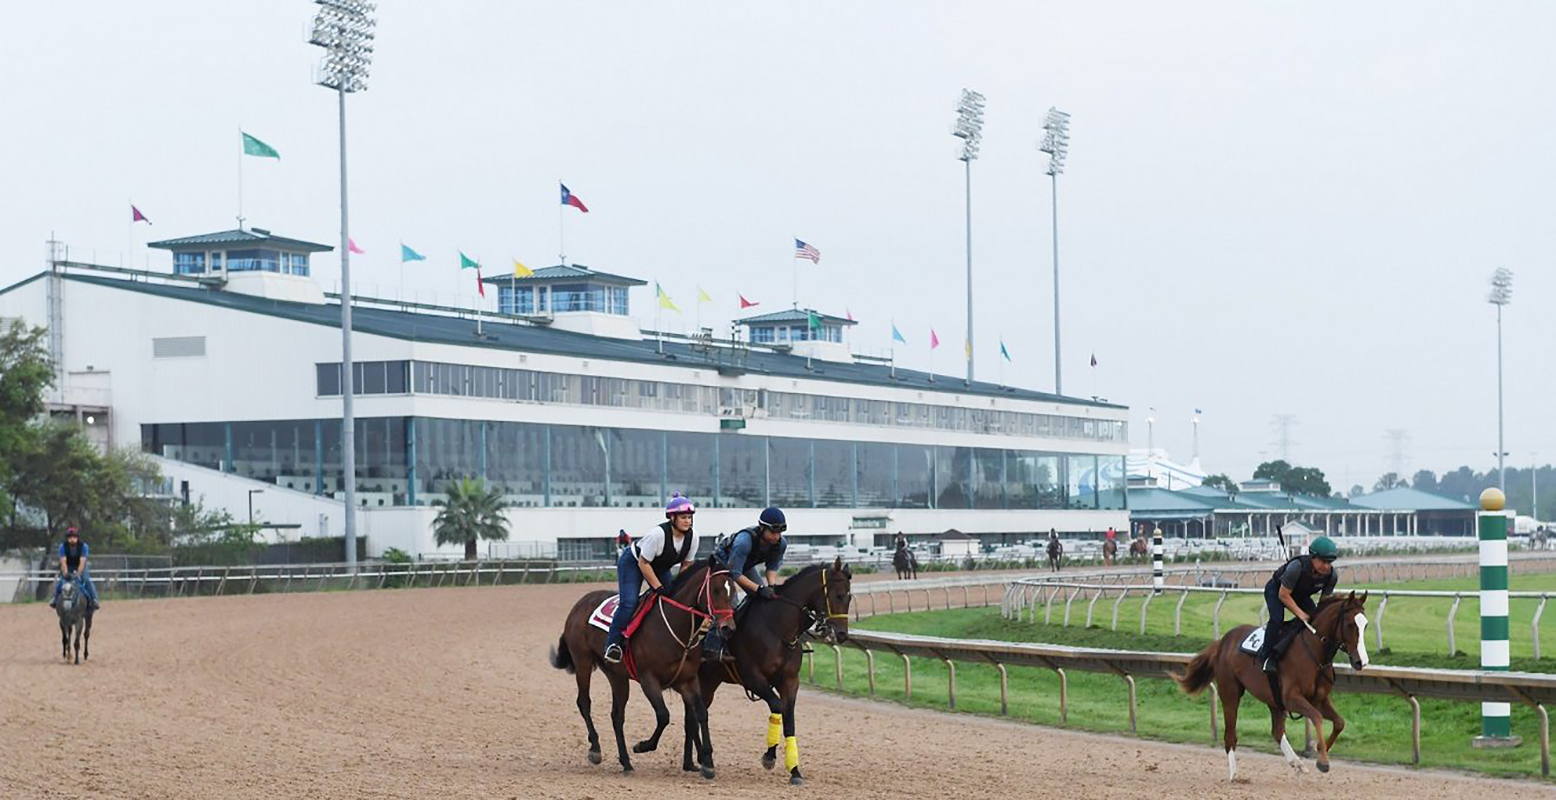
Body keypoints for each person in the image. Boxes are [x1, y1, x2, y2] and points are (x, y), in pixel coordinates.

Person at [602, 494, 697, 665]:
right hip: (634, 563)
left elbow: (686, 566)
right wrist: (658, 587)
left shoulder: (694, 538)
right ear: (672, 518)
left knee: (674, 600)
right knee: (629, 603)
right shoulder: (657, 535)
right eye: (683, 517)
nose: (688, 521)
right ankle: (613, 645)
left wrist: (679, 587)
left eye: (690, 517)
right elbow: (643, 563)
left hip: (659, 567)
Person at [703, 506, 789, 661]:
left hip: (744, 567)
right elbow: (735, 573)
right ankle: (712, 647)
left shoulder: (781, 544)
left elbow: (772, 567)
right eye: (773, 532)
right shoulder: (744, 542)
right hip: (723, 566)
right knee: (729, 607)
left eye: (779, 533)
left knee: (763, 599)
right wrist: (759, 588)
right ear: (762, 528)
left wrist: (770, 587)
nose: (777, 536)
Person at [1258, 535, 1339, 673]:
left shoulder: (1332, 576)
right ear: (1313, 557)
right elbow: (1283, 595)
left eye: (1329, 562)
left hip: (1300, 594)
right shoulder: (1296, 568)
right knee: (1277, 619)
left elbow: (1324, 603)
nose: (1326, 566)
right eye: (1323, 561)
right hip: (1277, 591)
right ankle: (1267, 656)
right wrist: (1301, 614)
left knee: (1314, 620)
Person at [50, 527, 99, 611]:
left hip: (80, 565)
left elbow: (82, 562)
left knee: (86, 580)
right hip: (68, 565)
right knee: (61, 581)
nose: (72, 539)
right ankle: (55, 599)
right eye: (70, 537)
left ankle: (94, 599)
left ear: (77, 538)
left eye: (74, 537)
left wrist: (78, 574)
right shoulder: (62, 547)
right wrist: (65, 573)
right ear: (67, 539)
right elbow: (63, 561)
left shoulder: (84, 546)